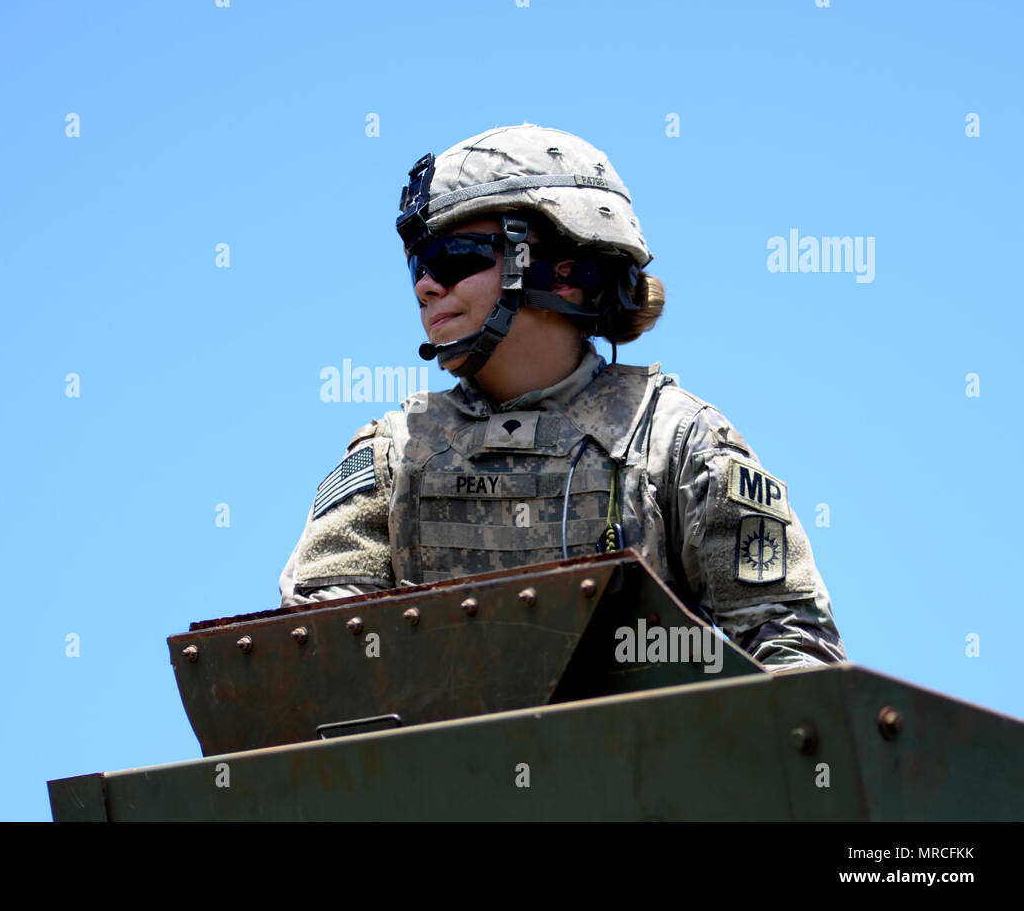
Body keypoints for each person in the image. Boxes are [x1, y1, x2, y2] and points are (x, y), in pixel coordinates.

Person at [277, 123, 845, 671]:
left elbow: (796, 657)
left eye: (454, 260)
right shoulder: (392, 456)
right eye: (419, 268)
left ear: (564, 273)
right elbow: (319, 662)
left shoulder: (679, 441)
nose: (428, 287)